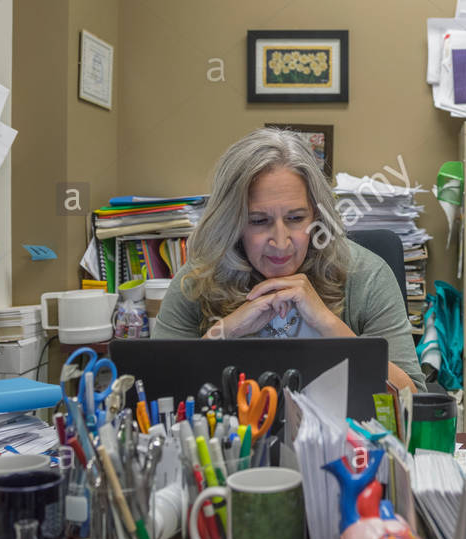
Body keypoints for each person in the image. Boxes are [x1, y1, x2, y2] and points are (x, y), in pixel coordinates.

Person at [152, 127, 424, 392]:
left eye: (296, 219)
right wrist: (229, 330)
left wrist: (328, 324)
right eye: (259, 221)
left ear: (317, 216)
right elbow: (155, 392)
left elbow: (413, 399)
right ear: (233, 223)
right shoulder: (198, 280)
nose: (281, 242)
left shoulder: (367, 275)